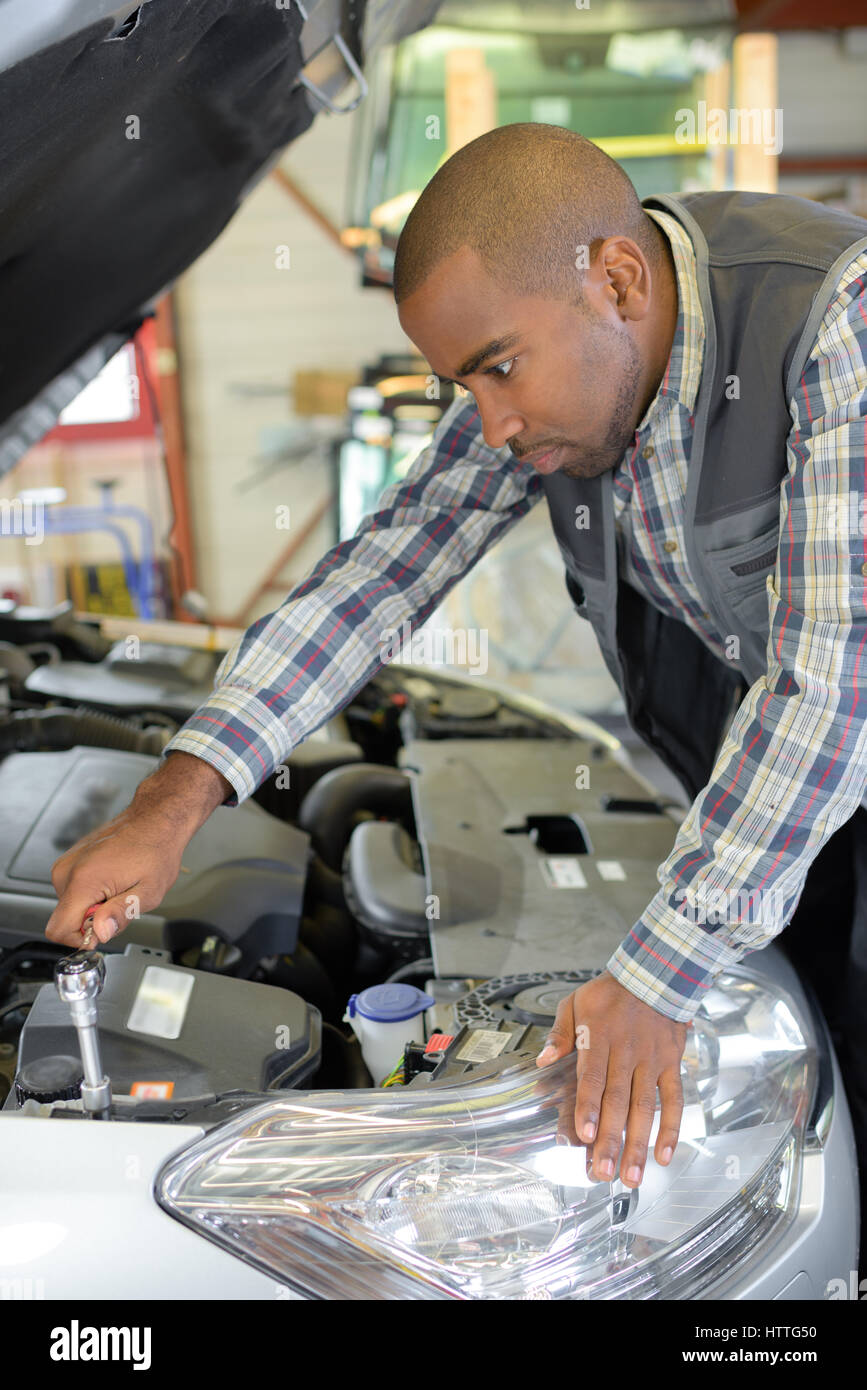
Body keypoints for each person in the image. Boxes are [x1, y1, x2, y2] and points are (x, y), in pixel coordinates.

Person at [46, 123, 867, 1248]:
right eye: (459, 384)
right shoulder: (556, 352)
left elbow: (834, 686)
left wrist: (656, 978)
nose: (490, 424)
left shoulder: (833, 320)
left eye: (498, 367)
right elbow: (376, 578)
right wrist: (174, 801)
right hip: (795, 791)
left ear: (618, 282)